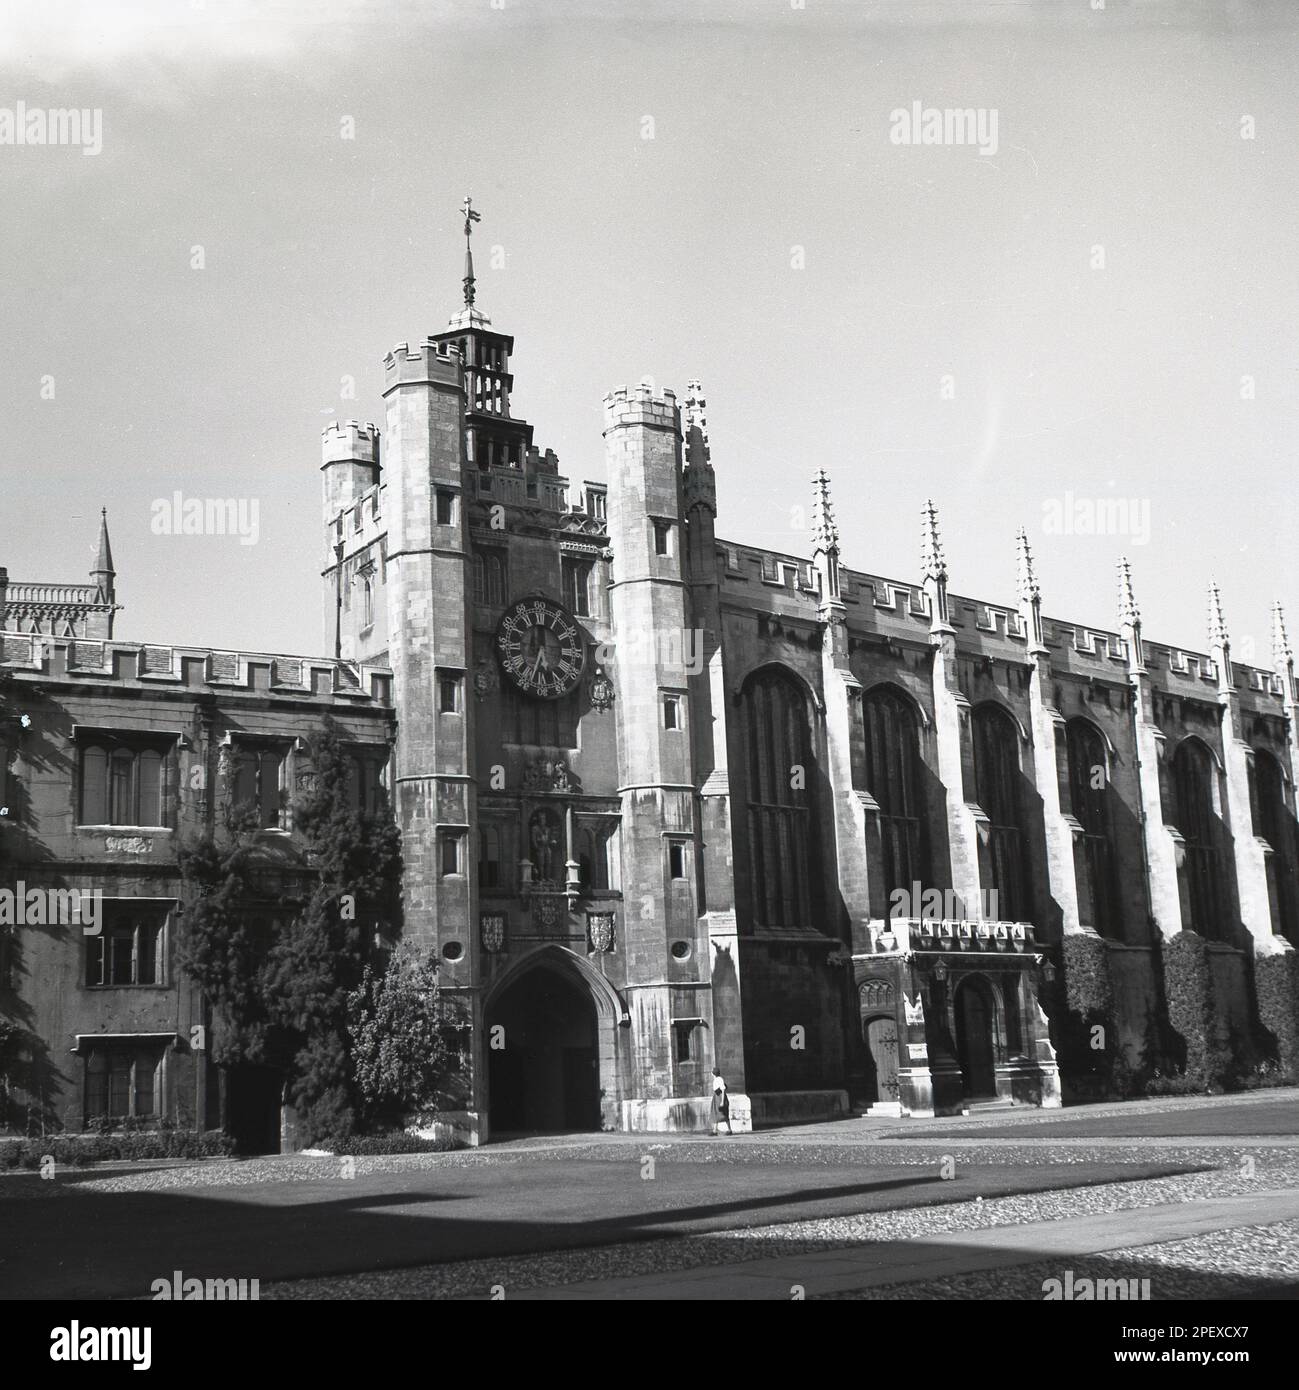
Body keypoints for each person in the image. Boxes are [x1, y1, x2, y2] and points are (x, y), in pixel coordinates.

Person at [710, 1067, 733, 1136]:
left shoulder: (719, 1079)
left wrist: (722, 1101)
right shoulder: (716, 1079)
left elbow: (723, 1090)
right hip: (716, 1097)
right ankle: (714, 1130)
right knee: (715, 1113)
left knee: (724, 1113)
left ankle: (729, 1129)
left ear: (713, 1073)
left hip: (719, 1097)